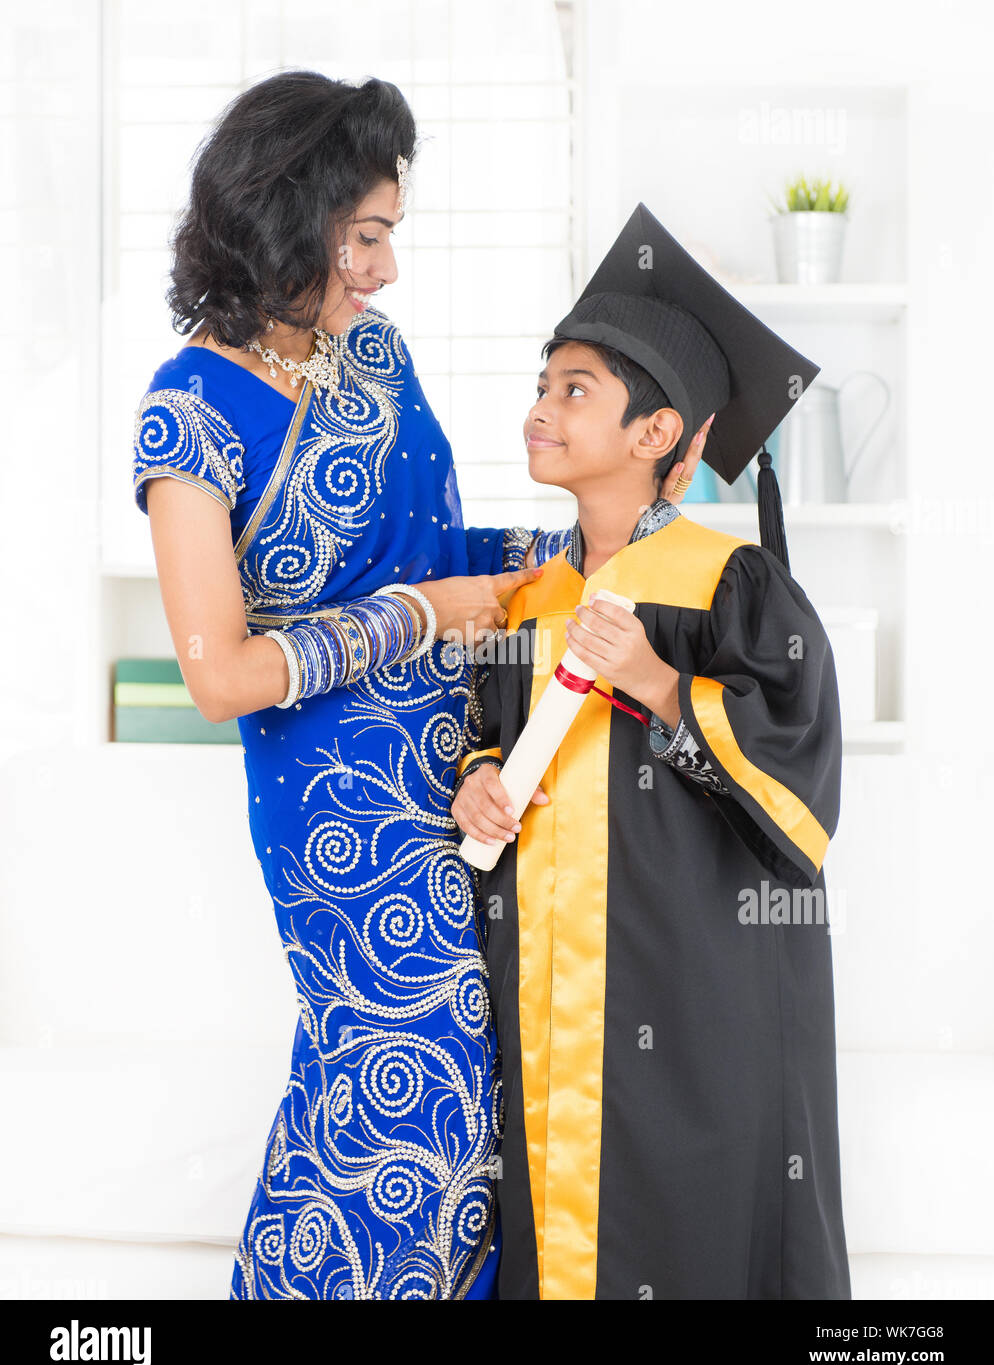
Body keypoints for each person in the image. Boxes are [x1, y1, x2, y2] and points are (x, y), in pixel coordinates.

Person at [132, 80, 703, 1301]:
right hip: (334, 809)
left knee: (479, 1092)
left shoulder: (373, 357)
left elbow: (442, 554)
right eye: (369, 235)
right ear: (291, 215)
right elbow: (218, 674)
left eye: (392, 235)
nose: (386, 271)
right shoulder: (187, 414)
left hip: (467, 769)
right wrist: (420, 618)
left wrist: (619, 535)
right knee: (409, 1103)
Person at [451, 205, 851, 1300]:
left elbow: (800, 784)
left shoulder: (728, 585)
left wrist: (657, 680)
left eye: (573, 390)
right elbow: (487, 737)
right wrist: (478, 782)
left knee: (689, 1213)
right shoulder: (531, 595)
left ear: (657, 433)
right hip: (547, 989)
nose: (539, 409)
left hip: (689, 987)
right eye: (541, 387)